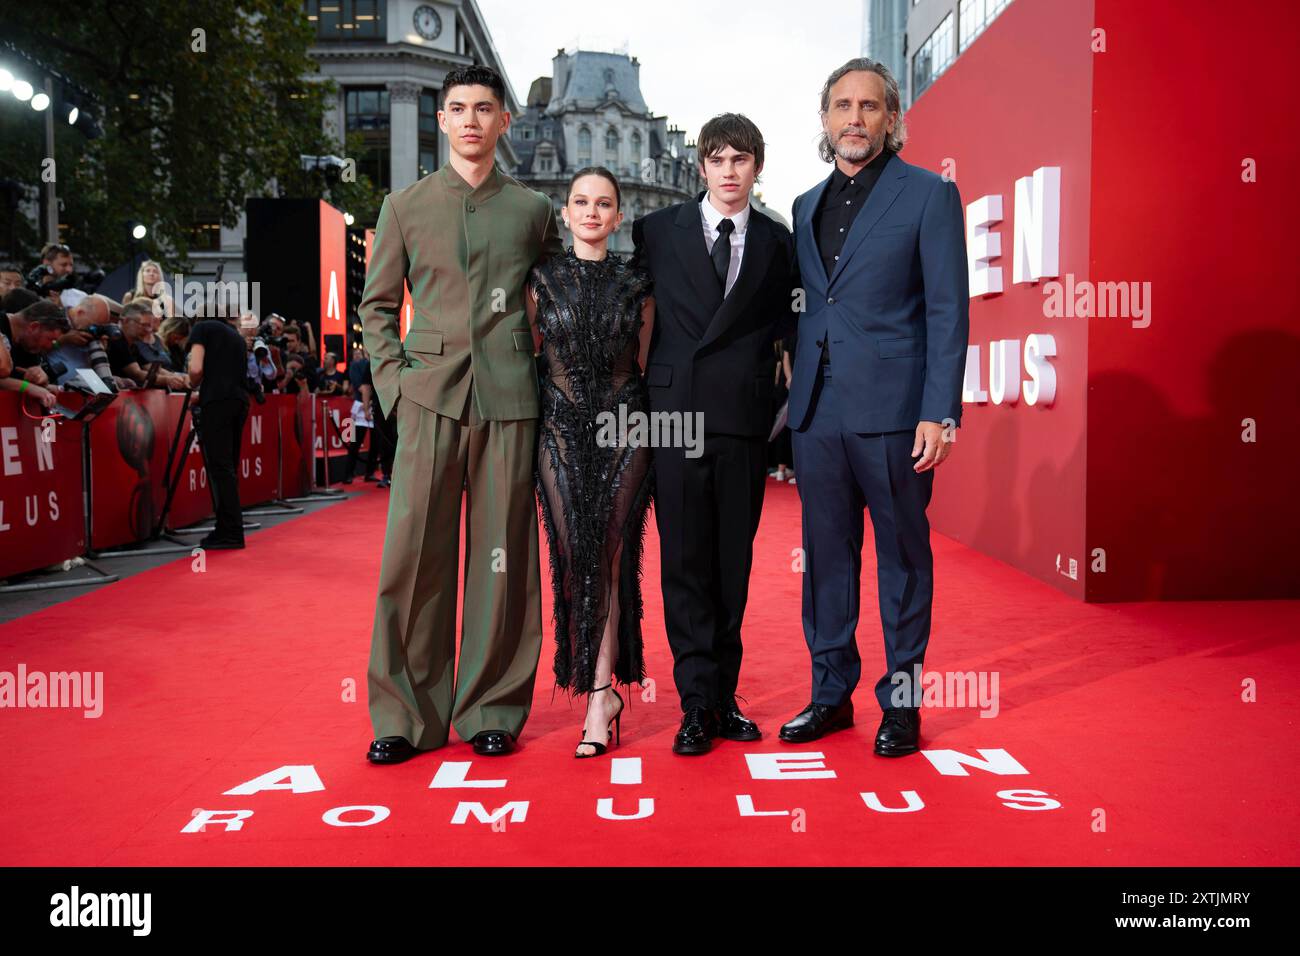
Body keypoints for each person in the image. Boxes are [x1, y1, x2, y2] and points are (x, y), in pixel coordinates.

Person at [360, 64, 562, 764]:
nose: (472, 119)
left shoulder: (534, 211)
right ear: (441, 120)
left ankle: (492, 709)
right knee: (412, 558)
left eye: (484, 108)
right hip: (427, 399)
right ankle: (404, 717)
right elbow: (377, 308)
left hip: (511, 400)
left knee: (502, 559)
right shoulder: (404, 206)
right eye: (458, 108)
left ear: (504, 121)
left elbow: (555, 302)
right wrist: (394, 388)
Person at [778, 58, 969, 756]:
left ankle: (903, 704)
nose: (854, 119)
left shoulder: (928, 195)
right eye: (841, 106)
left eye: (868, 106)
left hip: (896, 411)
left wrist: (939, 410)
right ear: (825, 120)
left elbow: (949, 311)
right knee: (828, 558)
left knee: (902, 558)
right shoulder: (804, 205)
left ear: (891, 118)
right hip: (818, 414)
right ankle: (830, 695)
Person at [631, 114, 796, 755]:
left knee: (733, 565)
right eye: (719, 160)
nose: (730, 172)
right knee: (685, 565)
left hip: (742, 422)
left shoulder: (779, 245)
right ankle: (696, 704)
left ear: (758, 167)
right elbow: (630, 317)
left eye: (742, 160)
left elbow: (793, 329)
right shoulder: (656, 232)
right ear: (700, 166)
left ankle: (724, 700)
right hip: (674, 417)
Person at [525, 167, 655, 758]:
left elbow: (651, 359)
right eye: (582, 202)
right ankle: (598, 684)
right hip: (557, 428)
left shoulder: (638, 280)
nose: (593, 212)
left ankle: (600, 699)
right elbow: (526, 355)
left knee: (607, 550)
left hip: (626, 425)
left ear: (618, 216)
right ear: (566, 210)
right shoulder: (539, 279)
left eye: (604, 204)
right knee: (576, 554)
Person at [185, 314, 251, 550]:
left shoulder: (202, 329)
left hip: (217, 402)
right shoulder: (236, 336)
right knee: (229, 468)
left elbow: (195, 368)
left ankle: (230, 531)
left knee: (220, 468)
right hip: (239, 401)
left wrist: (192, 383)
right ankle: (229, 528)